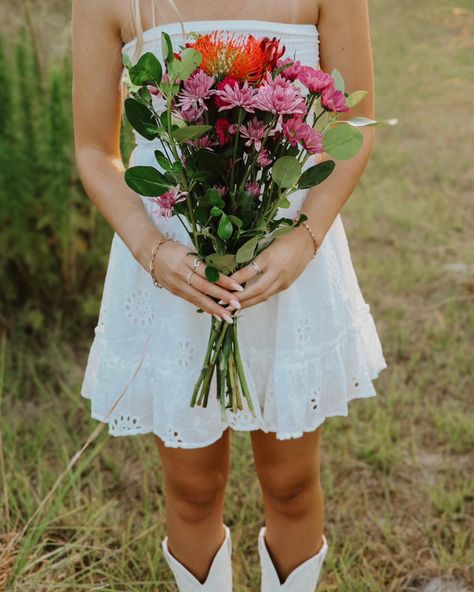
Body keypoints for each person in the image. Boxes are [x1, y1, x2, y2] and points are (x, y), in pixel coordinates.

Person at [72, 0, 387, 589]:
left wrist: (305, 237)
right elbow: (94, 150)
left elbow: (349, 126)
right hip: (173, 260)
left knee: (291, 483)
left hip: (288, 259)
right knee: (193, 490)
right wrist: (152, 250)